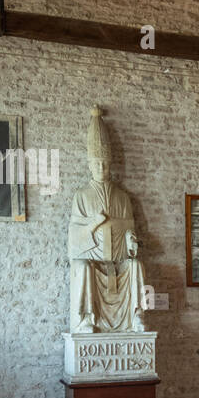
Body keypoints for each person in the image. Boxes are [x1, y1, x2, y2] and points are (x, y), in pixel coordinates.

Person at [67, 106, 146, 333]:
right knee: (82, 266)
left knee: (136, 265)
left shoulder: (123, 197)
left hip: (117, 260)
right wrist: (94, 224)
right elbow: (73, 240)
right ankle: (86, 320)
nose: (101, 167)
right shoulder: (81, 197)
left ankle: (136, 316)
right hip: (94, 261)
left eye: (104, 163)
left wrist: (131, 241)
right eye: (96, 163)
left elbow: (131, 230)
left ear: (110, 164)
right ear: (90, 165)